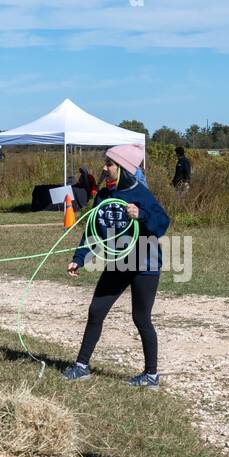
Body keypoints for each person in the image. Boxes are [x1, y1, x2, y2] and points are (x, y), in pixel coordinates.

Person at [62, 144, 169, 388]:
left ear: (122, 168)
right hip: (118, 263)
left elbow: (162, 223)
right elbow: (93, 232)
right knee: (96, 311)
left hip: (145, 264)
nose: (104, 167)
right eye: (106, 163)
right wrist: (79, 259)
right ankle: (81, 366)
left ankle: (151, 375)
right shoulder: (102, 196)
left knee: (141, 318)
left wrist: (141, 214)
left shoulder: (140, 194)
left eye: (109, 164)